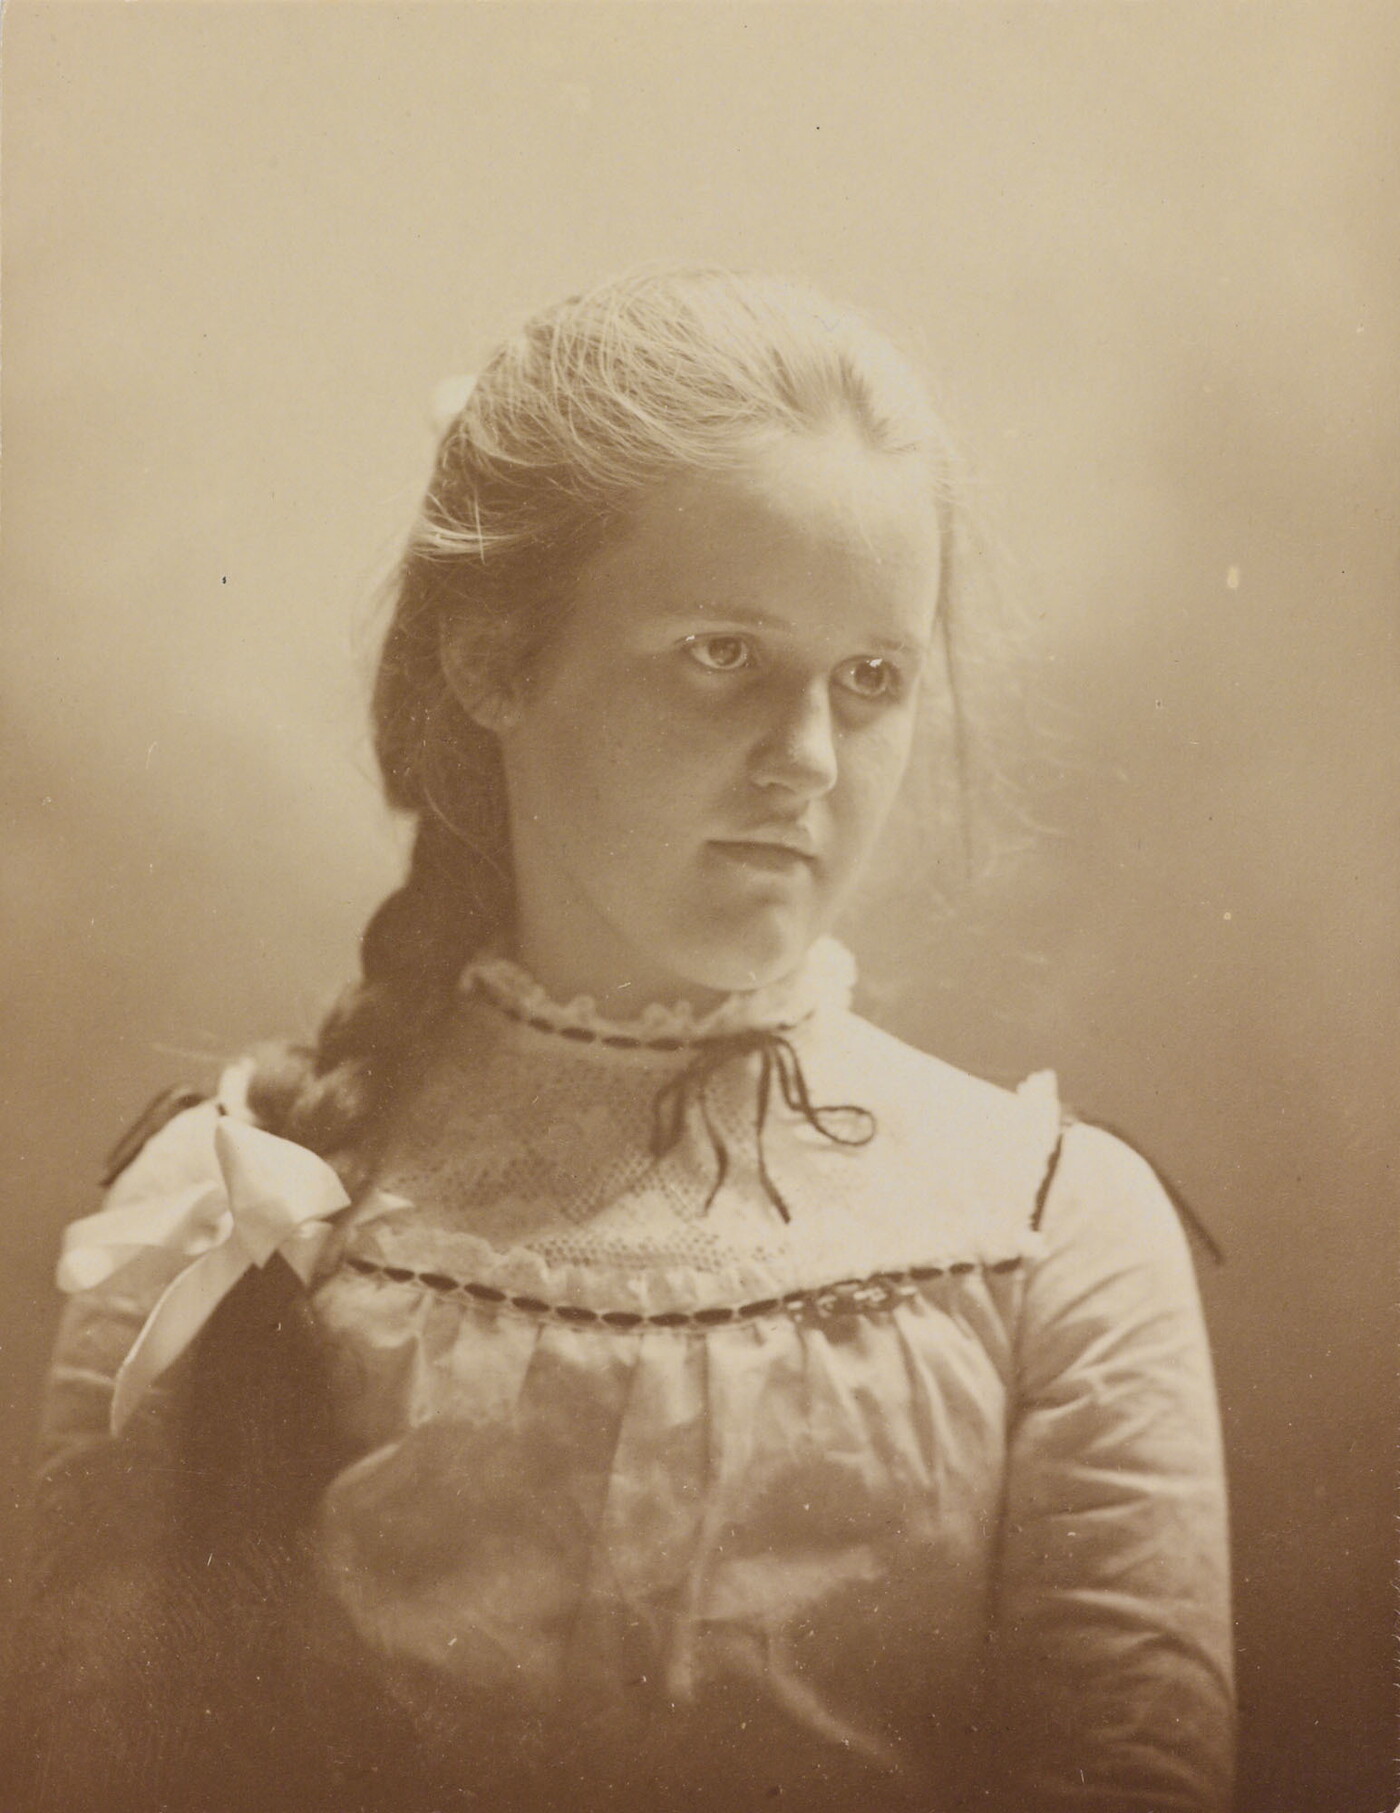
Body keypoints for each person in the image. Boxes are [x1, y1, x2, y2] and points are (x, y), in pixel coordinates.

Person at [4, 268, 1234, 1812]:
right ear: (492, 661)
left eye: (871, 679)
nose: (807, 759)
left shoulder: (1047, 1231)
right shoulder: (223, 1206)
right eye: (723, 653)